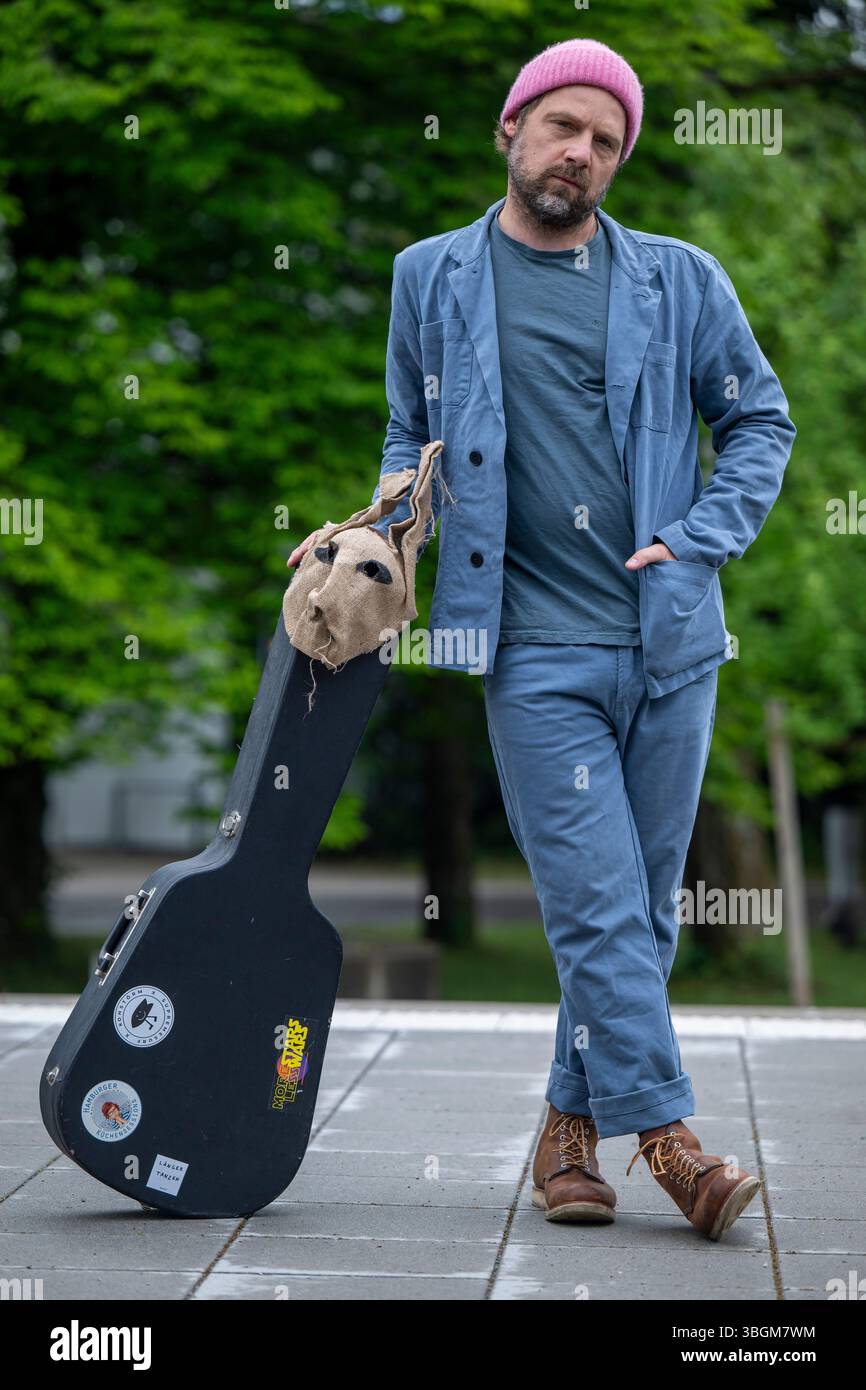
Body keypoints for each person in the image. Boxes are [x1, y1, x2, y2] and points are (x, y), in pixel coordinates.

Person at [288, 37, 796, 1242]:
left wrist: (698, 534)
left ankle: (568, 1134)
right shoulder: (431, 274)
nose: (583, 152)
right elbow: (407, 428)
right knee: (598, 907)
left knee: (640, 913)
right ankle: (669, 1145)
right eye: (564, 125)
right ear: (511, 127)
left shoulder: (679, 279)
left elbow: (760, 420)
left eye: (607, 139)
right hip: (526, 650)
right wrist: (372, 540)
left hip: (670, 642)